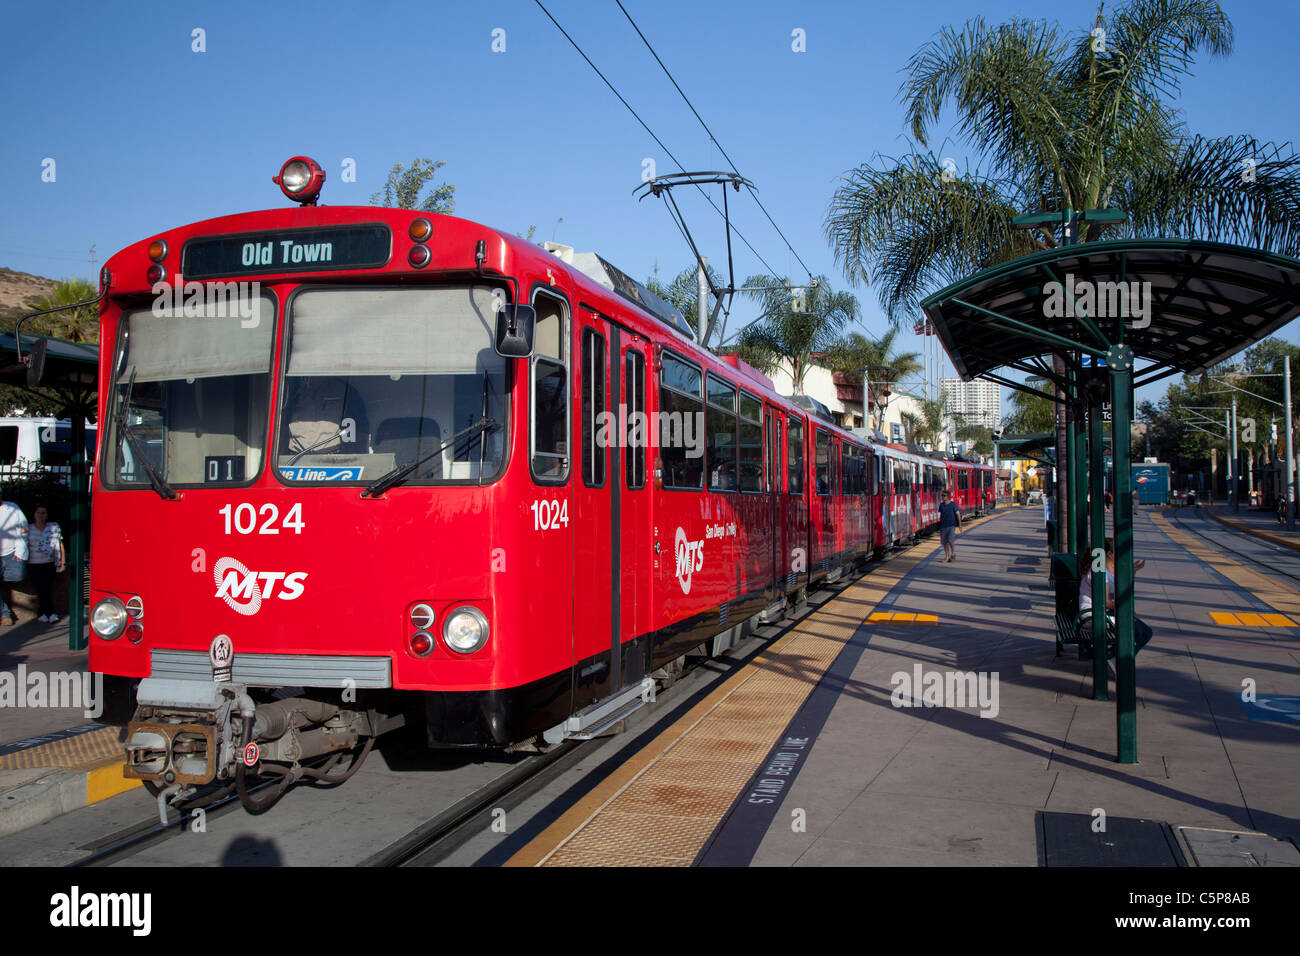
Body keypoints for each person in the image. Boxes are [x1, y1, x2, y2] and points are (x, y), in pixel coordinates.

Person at [1078, 537, 1152, 657]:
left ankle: (1113, 654)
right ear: (1110, 554)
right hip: (1093, 616)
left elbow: (1120, 590)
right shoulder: (1100, 573)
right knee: (1140, 631)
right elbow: (1105, 602)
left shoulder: (1104, 571)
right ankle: (1113, 656)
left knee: (1143, 631)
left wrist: (1131, 573)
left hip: (1098, 613)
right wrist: (1126, 611)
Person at [27, 505, 64, 623]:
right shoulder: (28, 529)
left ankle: (44, 613)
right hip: (34, 564)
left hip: (49, 563)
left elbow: (59, 544)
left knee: (48, 588)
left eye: (43, 513)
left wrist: (62, 561)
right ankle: (48, 612)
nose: (41, 515)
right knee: (41, 588)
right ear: (34, 515)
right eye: (38, 513)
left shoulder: (52, 528)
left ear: (47, 515)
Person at [0, 487, 28, 625]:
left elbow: (23, 528)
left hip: (11, 552)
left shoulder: (12, 508)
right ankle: (5, 615)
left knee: (18, 575)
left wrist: (20, 550)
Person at [937, 490, 962, 562]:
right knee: (944, 542)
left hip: (951, 525)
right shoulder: (941, 505)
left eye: (944, 496)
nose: (943, 497)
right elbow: (941, 515)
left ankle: (953, 553)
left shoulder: (953, 504)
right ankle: (947, 557)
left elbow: (958, 514)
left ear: (948, 497)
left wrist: (960, 525)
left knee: (951, 541)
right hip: (943, 526)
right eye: (942, 495)